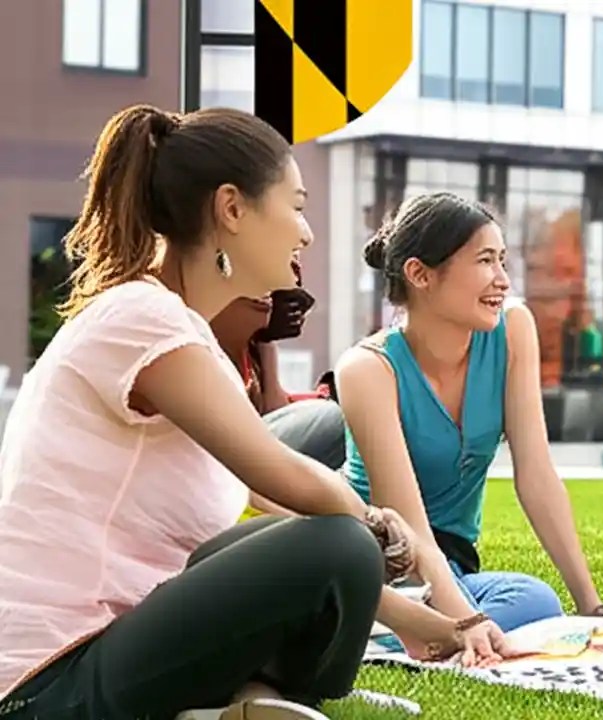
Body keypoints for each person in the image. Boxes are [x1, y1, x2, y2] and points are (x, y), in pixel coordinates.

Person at [0, 105, 512, 720]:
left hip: (114, 647)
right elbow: (281, 473)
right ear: (232, 209)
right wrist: (379, 525)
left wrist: (416, 621)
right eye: (295, 205)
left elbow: (245, 529)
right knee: (341, 543)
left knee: (301, 542)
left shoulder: (182, 334)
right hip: (49, 679)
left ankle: (244, 703)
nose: (306, 232)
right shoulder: (142, 317)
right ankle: (252, 697)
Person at [336, 191, 603, 647]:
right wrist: (464, 624)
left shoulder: (513, 330)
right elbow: (407, 524)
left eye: (503, 261)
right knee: (467, 616)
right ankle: (398, 628)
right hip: (387, 567)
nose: (502, 280)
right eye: (485, 261)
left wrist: (592, 605)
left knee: (536, 599)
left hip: (456, 565)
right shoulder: (366, 370)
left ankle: (407, 633)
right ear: (420, 274)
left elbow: (537, 475)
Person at [209, 264, 347, 474]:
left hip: (248, 461)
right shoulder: (205, 338)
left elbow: (274, 408)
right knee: (333, 419)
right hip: (225, 468)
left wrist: (265, 340)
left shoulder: (255, 349)